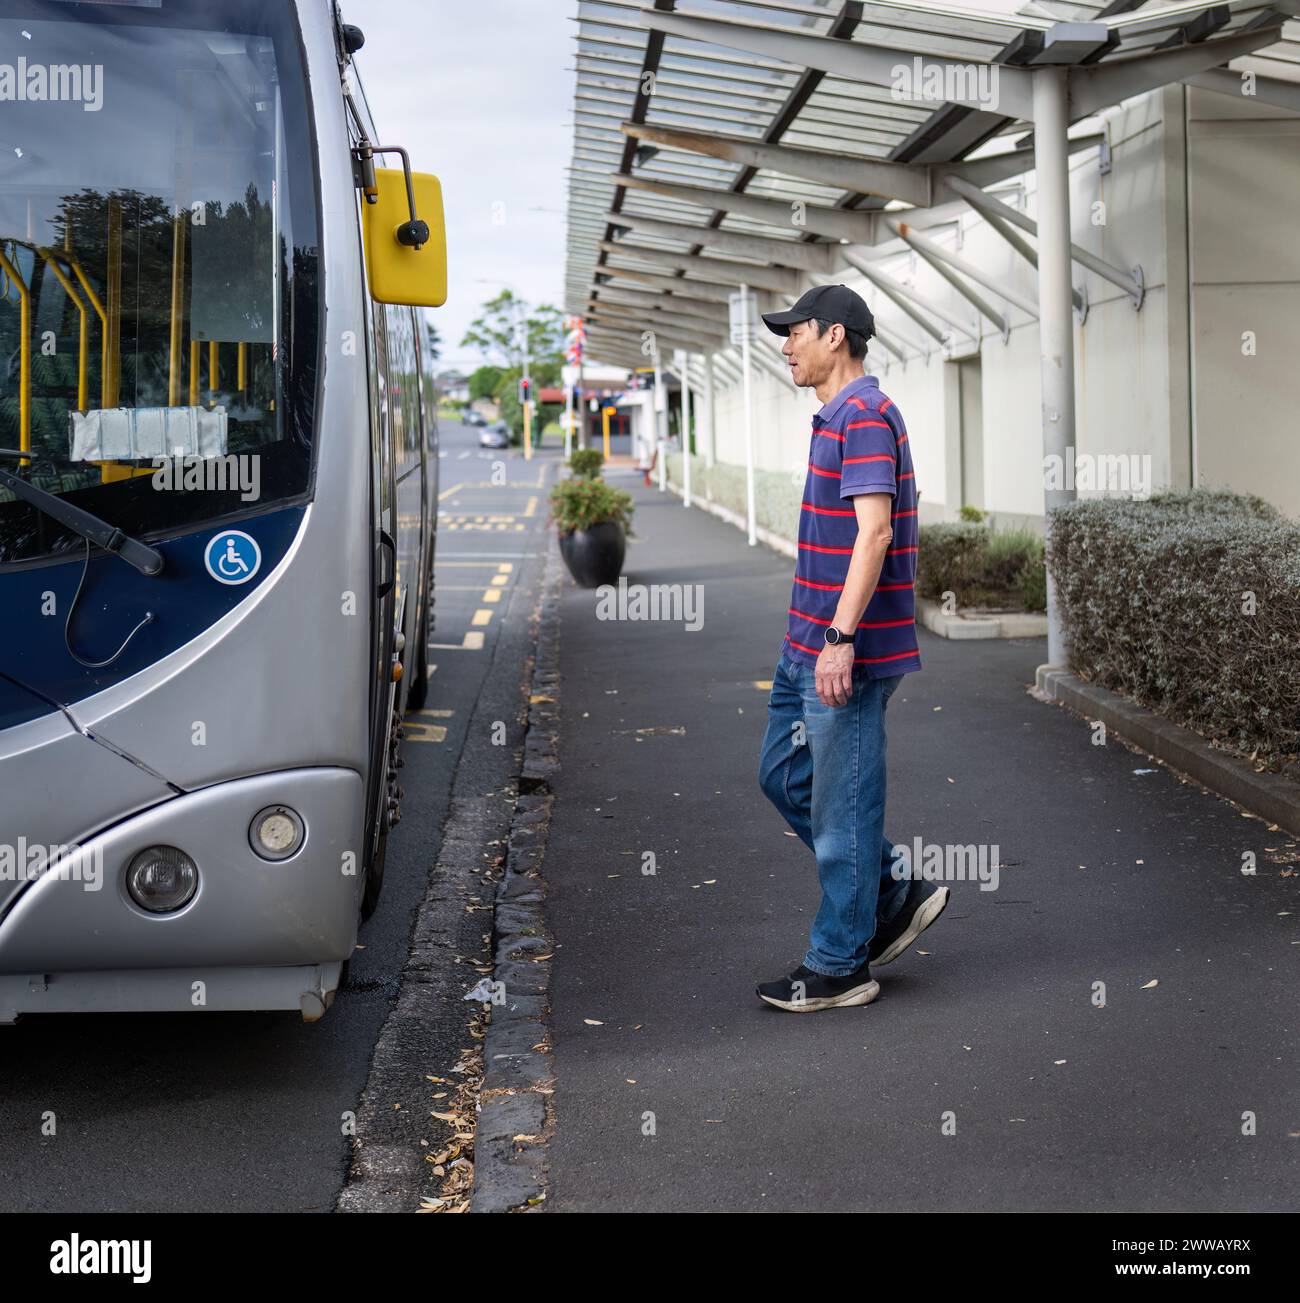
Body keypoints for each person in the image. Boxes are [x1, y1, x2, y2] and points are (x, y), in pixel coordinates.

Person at [755, 284, 948, 1013]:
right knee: (781, 774)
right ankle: (892, 889)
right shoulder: (836, 417)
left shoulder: (864, 415)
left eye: (795, 331)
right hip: (804, 646)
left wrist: (838, 640)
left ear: (835, 335)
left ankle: (840, 962)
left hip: (843, 653)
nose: (786, 345)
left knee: (841, 809)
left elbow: (874, 533)